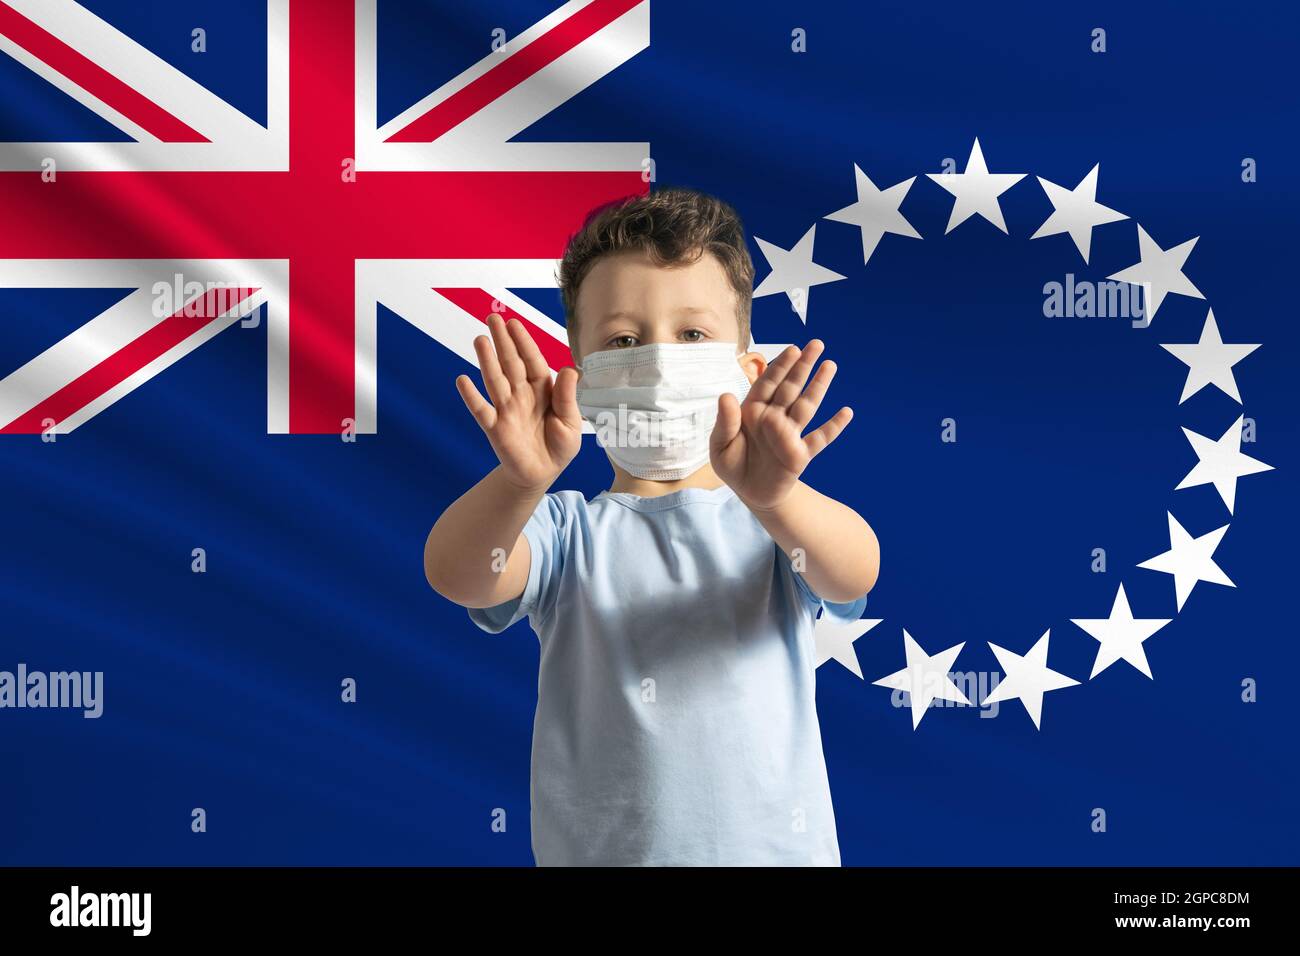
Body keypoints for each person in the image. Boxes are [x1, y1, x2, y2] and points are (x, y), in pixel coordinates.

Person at [424, 187, 880, 865]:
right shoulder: (563, 532)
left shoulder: (773, 524)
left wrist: (778, 498)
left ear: (748, 372)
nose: (661, 362)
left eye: (693, 334)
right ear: (578, 384)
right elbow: (461, 575)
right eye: (624, 340)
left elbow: (855, 570)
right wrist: (521, 482)